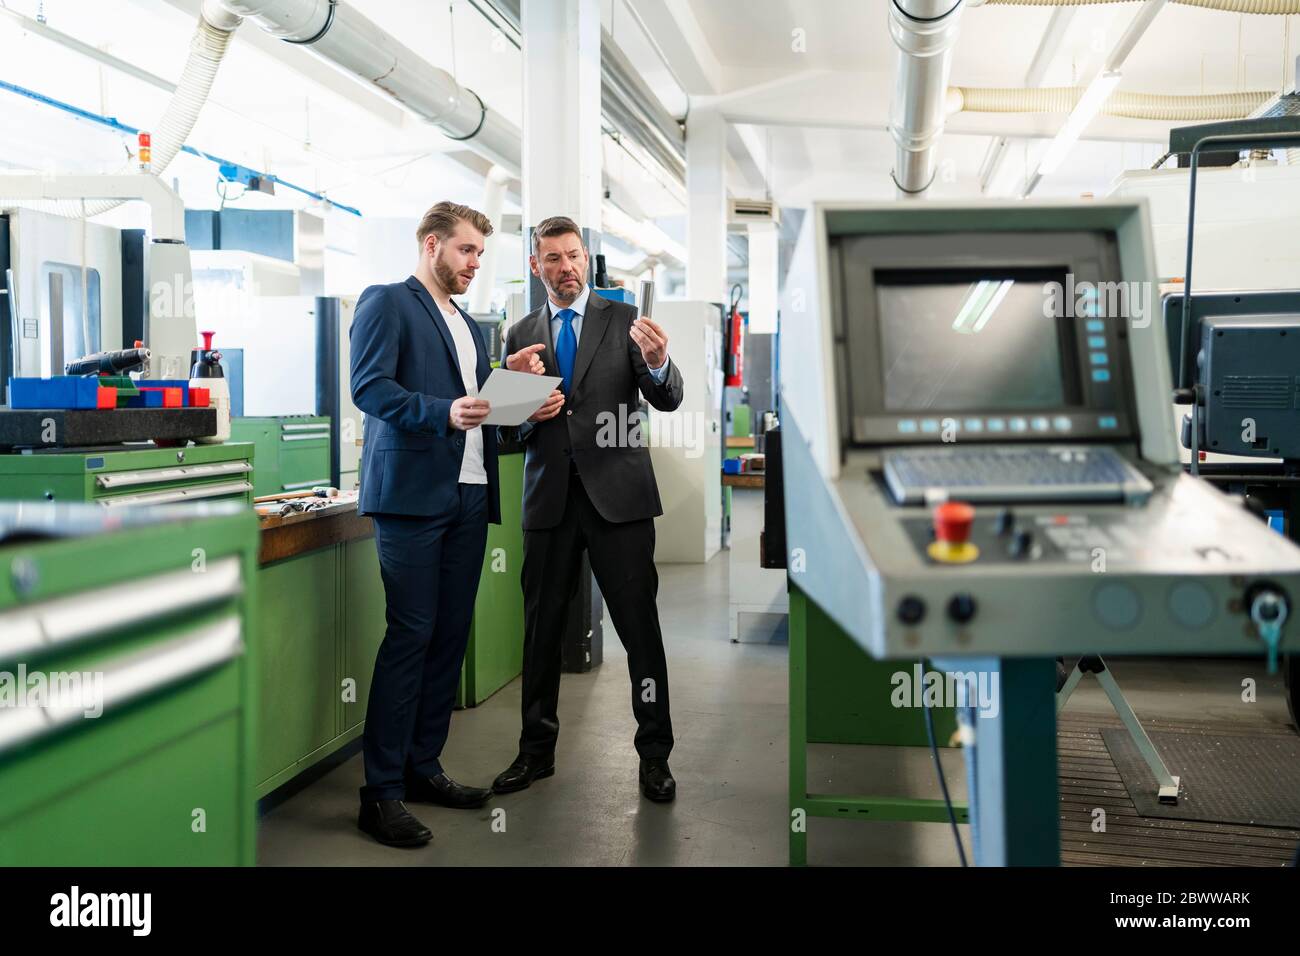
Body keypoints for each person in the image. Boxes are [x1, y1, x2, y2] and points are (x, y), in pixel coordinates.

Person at [493, 215, 685, 802]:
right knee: (541, 633)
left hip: (618, 503)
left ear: (586, 258)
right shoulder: (519, 333)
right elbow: (505, 435)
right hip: (550, 501)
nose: (565, 267)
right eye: (552, 258)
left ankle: (654, 756)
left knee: (639, 631)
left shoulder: (626, 321)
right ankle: (535, 753)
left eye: (573, 256)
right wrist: (521, 409)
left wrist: (657, 364)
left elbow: (668, 398)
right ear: (536, 266)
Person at [349, 201, 499, 846]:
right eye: (466, 251)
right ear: (433, 244)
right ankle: (379, 792)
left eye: (480, 256)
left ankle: (422, 766)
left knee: (447, 636)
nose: (473, 264)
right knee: (410, 634)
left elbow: (475, 403)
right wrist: (442, 412)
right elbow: (370, 387)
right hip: (411, 497)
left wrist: (507, 385)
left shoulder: (467, 324)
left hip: (468, 492)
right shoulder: (387, 301)